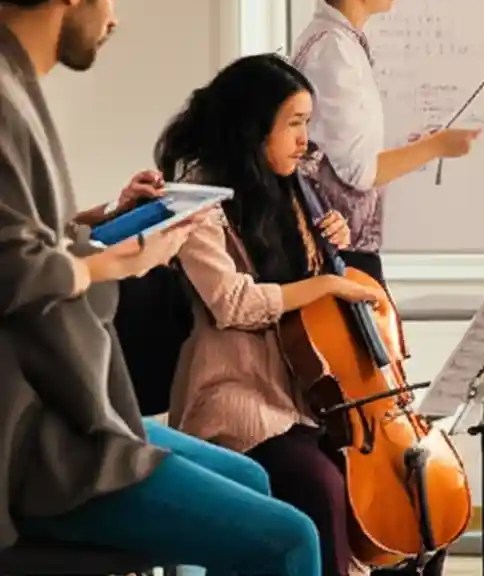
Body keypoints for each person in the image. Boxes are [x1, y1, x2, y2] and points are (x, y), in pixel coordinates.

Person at [0, 0, 322, 575]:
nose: (114, 17)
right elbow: (13, 270)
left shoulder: (16, 85)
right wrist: (118, 261)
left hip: (71, 405)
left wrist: (98, 222)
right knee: (293, 539)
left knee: (257, 484)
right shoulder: (3, 98)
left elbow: (21, 232)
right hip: (43, 434)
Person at [155, 53, 434, 576]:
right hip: (237, 399)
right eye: (295, 124)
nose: (306, 140)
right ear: (252, 127)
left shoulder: (290, 190)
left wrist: (332, 249)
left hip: (308, 401)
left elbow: (313, 314)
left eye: (307, 123)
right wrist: (324, 280)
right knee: (322, 485)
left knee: (412, 489)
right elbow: (233, 302)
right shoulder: (195, 202)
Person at [290, 0, 479, 285]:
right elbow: (360, 174)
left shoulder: (340, 43)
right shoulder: (334, 53)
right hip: (340, 256)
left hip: (343, 250)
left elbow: (345, 157)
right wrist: (437, 146)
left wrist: (423, 145)